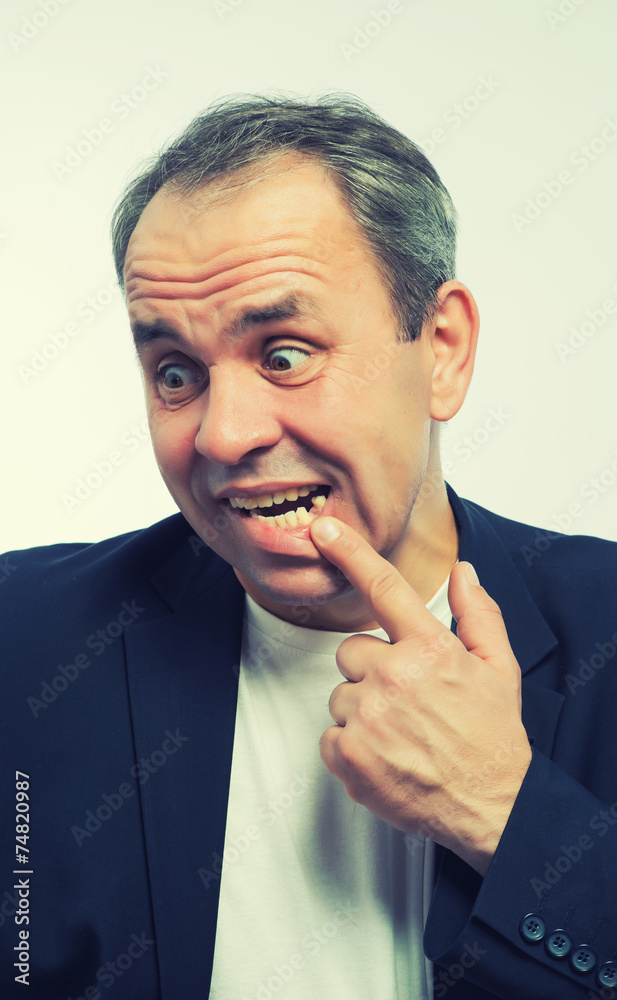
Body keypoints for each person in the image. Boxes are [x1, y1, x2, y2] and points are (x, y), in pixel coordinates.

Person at [2, 95, 617, 1000]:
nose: (221, 435)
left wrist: (507, 810)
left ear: (441, 349)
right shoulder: (26, 634)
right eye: (176, 372)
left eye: (284, 353)